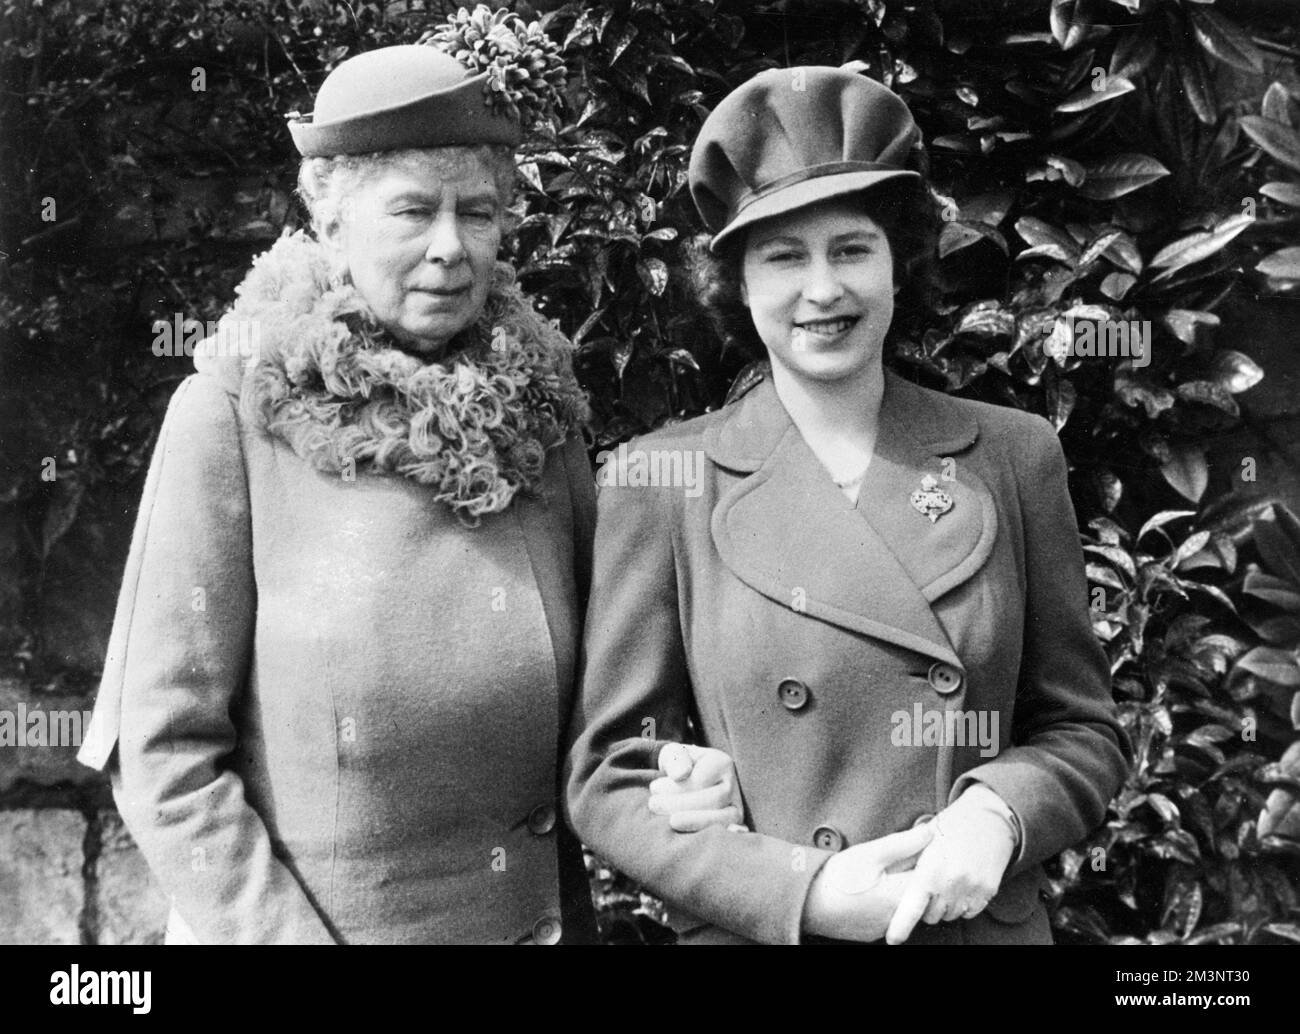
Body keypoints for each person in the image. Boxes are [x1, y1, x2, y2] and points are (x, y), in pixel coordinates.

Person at [76, 42, 732, 944]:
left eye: (479, 212)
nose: (448, 249)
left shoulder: (544, 411)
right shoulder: (233, 411)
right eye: (413, 210)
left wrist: (677, 773)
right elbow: (164, 755)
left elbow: (611, 709)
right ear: (332, 218)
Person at [564, 65, 1131, 945]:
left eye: (852, 249)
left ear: (898, 266)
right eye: (784, 258)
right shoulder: (660, 479)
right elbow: (610, 776)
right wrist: (804, 890)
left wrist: (1000, 816)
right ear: (738, 287)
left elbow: (1081, 728)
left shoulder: (1014, 455)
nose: (823, 290)